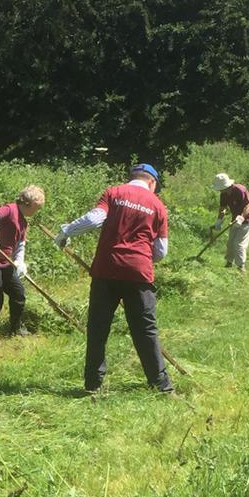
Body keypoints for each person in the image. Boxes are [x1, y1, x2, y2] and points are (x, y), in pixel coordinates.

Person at [53, 162, 174, 396]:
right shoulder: (158, 206)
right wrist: (140, 256)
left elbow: (94, 219)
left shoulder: (114, 193)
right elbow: (161, 251)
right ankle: (161, 386)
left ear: (133, 177)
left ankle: (92, 385)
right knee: (146, 330)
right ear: (152, 182)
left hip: (106, 271)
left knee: (98, 328)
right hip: (139, 274)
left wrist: (66, 231)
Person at [0, 184, 45, 344]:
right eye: (36, 207)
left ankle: (15, 328)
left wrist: (20, 261)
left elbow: (20, 244)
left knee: (18, 293)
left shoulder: (24, 222)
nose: (36, 211)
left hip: (6, 263)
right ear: (28, 204)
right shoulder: (10, 209)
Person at [211, 172, 249, 272]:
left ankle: (241, 267)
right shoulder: (223, 194)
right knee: (230, 243)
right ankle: (229, 263)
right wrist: (219, 220)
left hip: (246, 220)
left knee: (239, 244)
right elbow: (223, 208)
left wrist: (241, 218)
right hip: (234, 219)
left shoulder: (240, 190)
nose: (220, 191)